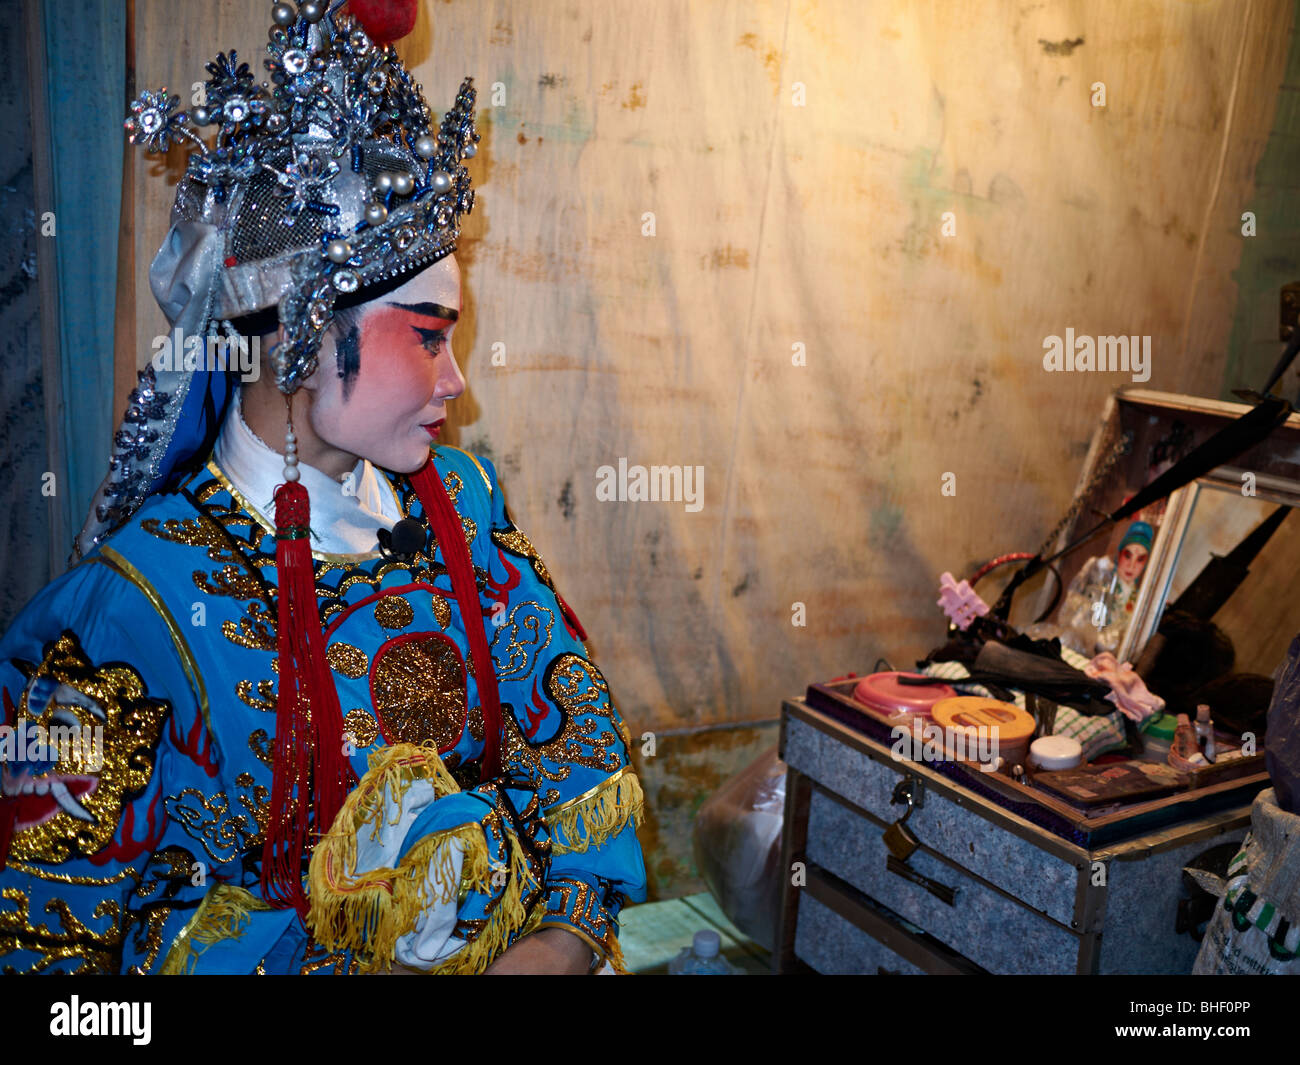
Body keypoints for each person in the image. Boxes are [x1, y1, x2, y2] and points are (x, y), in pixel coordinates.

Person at [0, 0, 645, 974]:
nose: (455, 378)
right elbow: (50, 957)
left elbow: (571, 747)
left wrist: (557, 945)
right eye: (427, 334)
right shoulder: (127, 616)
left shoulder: (461, 507)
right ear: (298, 332)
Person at [1053, 520, 1153, 658]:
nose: (1132, 565)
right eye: (1128, 556)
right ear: (1119, 555)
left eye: (1140, 559)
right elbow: (1071, 613)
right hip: (1077, 648)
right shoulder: (1102, 577)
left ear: (1146, 564)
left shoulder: (1139, 599)